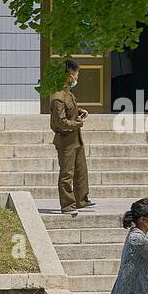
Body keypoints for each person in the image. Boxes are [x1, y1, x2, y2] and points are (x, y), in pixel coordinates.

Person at [50, 59, 93, 214]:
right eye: (76, 75)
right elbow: (60, 122)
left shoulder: (68, 93)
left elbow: (70, 110)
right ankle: (67, 205)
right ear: (69, 76)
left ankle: (81, 200)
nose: (77, 78)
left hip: (76, 139)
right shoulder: (58, 97)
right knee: (67, 173)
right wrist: (78, 123)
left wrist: (79, 111)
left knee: (81, 170)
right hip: (66, 140)